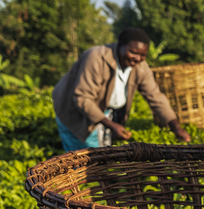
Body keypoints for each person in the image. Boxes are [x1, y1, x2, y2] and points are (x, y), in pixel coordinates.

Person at [52, 27, 192, 152]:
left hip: (103, 111)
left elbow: (155, 96)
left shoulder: (141, 67)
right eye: (132, 52)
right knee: (82, 157)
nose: (137, 59)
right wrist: (111, 125)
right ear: (120, 46)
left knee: (101, 155)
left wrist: (176, 127)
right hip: (74, 111)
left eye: (143, 55)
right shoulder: (96, 58)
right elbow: (83, 98)